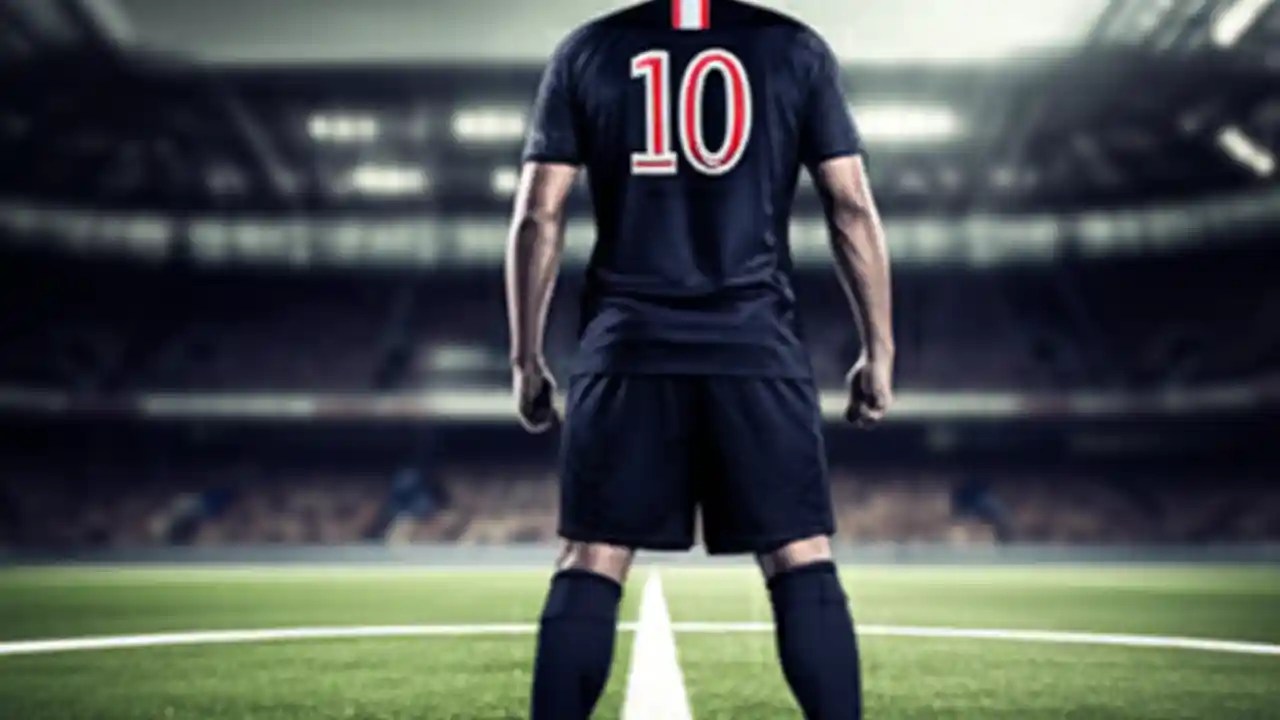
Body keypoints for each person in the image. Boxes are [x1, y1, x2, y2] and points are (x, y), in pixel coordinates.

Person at [503, 1, 894, 717]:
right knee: (801, 556)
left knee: (592, 556)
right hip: (755, 342)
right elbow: (851, 206)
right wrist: (880, 348)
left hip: (627, 344)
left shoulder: (588, 50)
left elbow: (538, 214)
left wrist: (527, 357)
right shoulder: (795, 47)